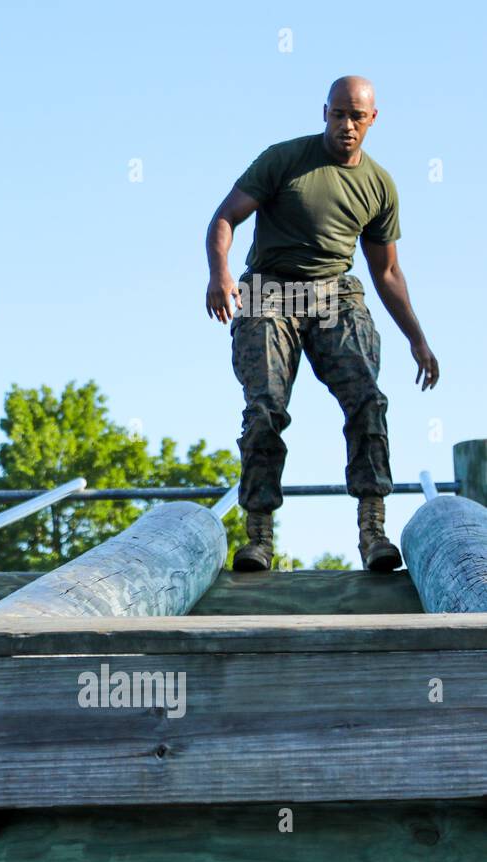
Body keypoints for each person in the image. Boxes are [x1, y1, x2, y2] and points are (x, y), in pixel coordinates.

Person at [204, 75, 439, 572]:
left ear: (373, 119)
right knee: (265, 406)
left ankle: (373, 532)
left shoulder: (378, 185)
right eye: (338, 114)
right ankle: (259, 536)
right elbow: (224, 217)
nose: (346, 125)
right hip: (269, 291)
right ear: (324, 112)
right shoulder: (285, 159)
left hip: (335, 293)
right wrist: (220, 274)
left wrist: (417, 338)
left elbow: (388, 271)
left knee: (368, 401)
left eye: (357, 116)